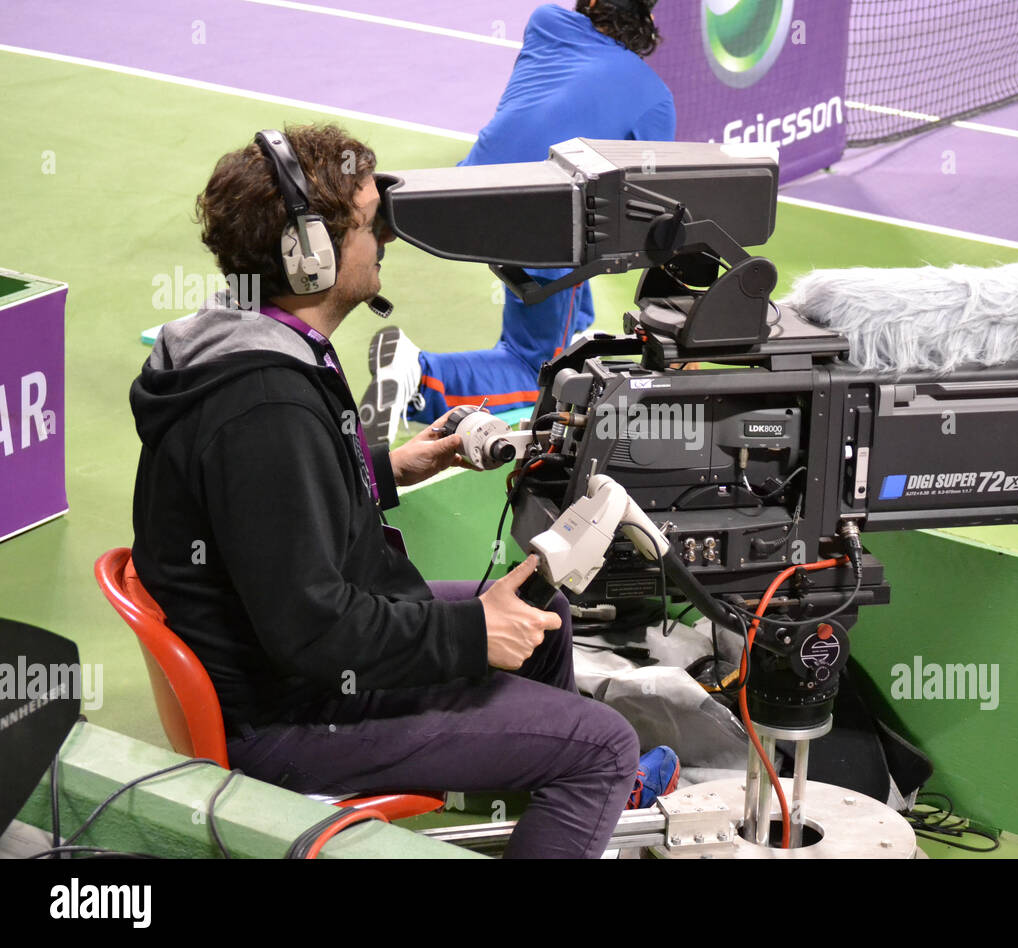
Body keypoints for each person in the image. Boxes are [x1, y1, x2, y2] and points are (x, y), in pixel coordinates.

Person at [129, 124, 678, 859]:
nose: (386, 237)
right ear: (309, 253)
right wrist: (473, 631)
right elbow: (314, 631)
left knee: (542, 612)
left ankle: (556, 802)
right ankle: (585, 778)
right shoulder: (266, 406)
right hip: (293, 717)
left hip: (292, 669)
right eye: (368, 221)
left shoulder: (243, 336)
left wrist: (391, 467)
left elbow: (271, 514)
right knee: (604, 745)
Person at [359, 0, 675, 447]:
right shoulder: (656, 99)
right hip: (537, 232)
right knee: (542, 367)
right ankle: (417, 377)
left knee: (571, 290)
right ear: (646, 13)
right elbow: (648, 214)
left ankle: (578, 330)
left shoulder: (545, 22)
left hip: (455, 200)